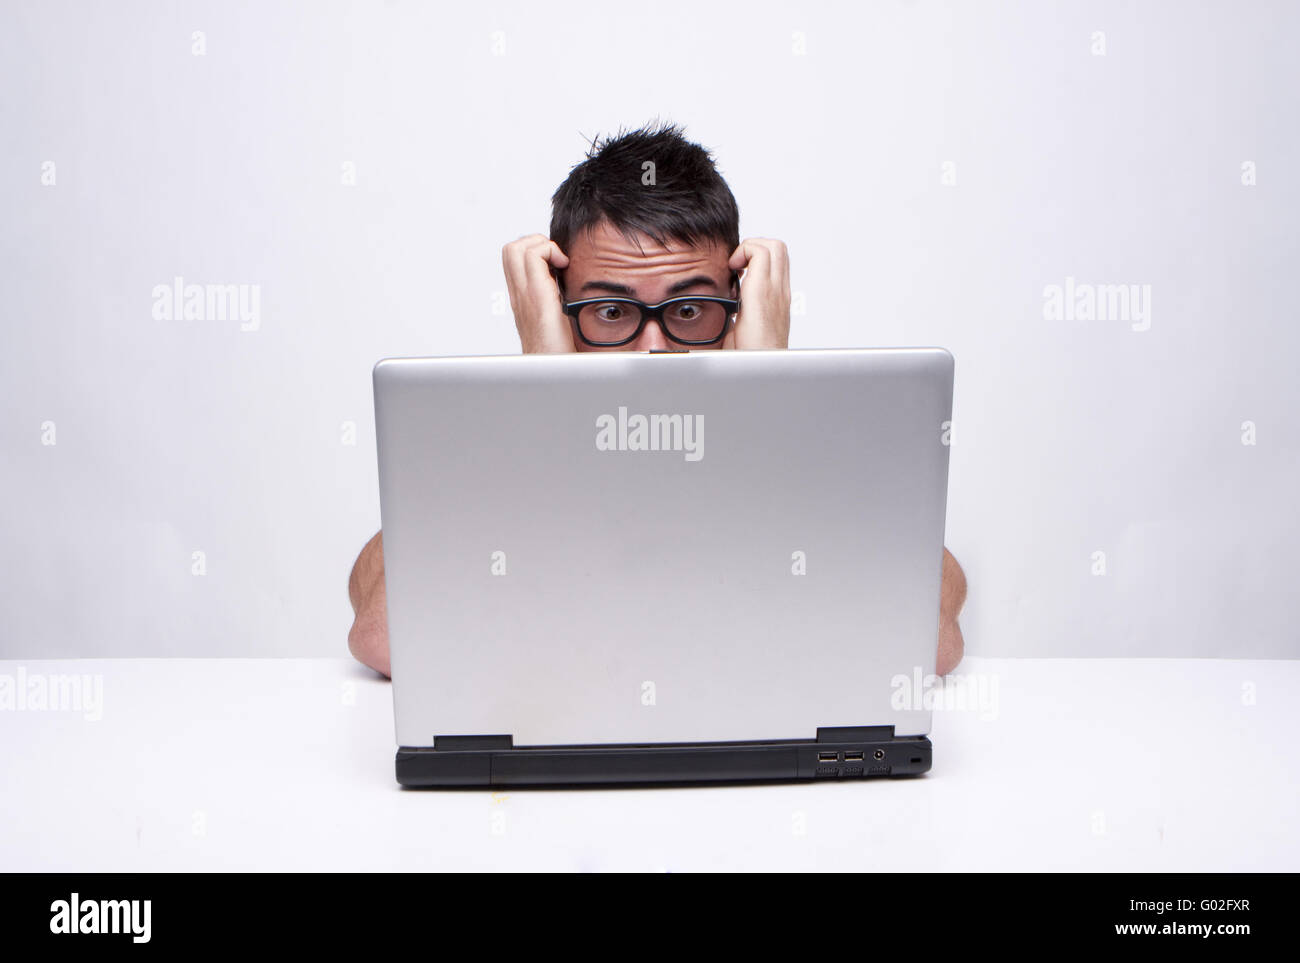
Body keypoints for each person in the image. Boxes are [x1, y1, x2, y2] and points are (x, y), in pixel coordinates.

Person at [348, 121, 968, 678]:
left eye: (690, 309)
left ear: (740, 308)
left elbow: (928, 639)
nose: (653, 350)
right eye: (611, 311)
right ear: (561, 314)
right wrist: (544, 396)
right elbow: (382, 631)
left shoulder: (798, 447)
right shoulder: (519, 446)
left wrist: (769, 396)